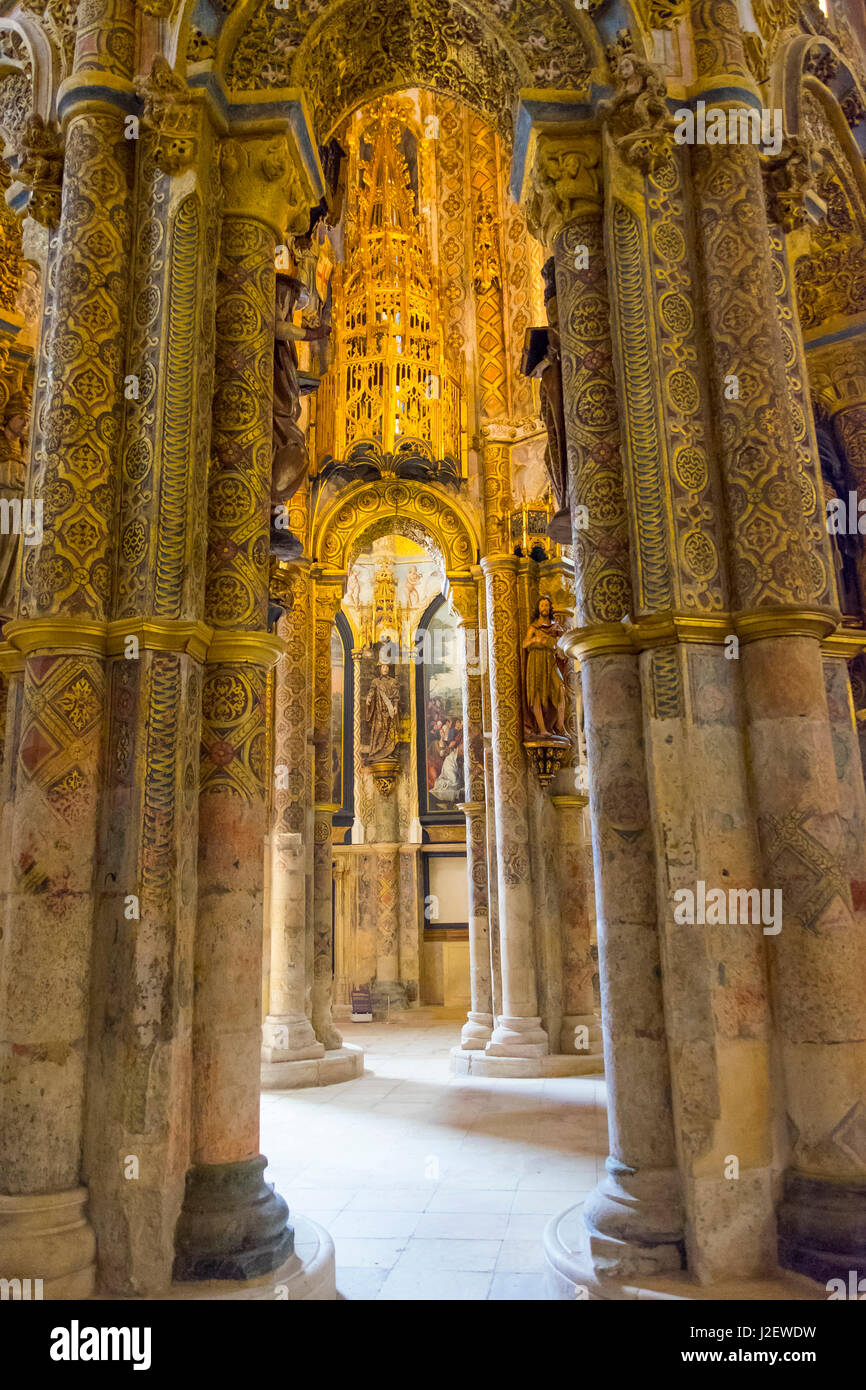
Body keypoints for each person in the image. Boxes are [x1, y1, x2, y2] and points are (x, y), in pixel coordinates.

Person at [523, 594, 569, 737]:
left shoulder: (555, 626)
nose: (544, 607)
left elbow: (561, 644)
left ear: (550, 608)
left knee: (560, 689)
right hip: (535, 661)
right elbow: (524, 644)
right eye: (542, 605)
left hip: (550, 661)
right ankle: (542, 729)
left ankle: (560, 725)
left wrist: (557, 643)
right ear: (538, 608)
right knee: (536, 693)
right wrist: (536, 639)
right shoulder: (534, 627)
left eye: (546, 605)